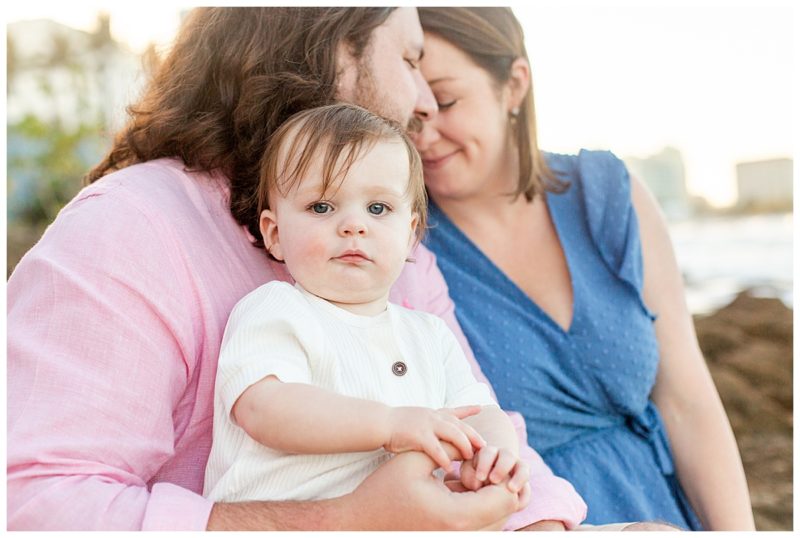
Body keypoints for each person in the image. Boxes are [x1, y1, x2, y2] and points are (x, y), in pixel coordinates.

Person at [6, 7, 586, 531]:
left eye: (380, 209)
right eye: (410, 60)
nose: (425, 101)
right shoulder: (126, 227)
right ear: (333, 46)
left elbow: (476, 416)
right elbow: (33, 504)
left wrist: (539, 522)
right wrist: (345, 520)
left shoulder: (395, 255)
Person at [413, 6, 755, 531]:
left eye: (447, 100)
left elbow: (687, 401)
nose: (425, 131)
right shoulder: (405, 249)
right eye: (410, 113)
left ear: (514, 85)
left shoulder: (611, 198)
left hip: (668, 511)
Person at [203, 103, 529, 510]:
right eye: (322, 207)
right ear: (275, 234)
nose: (354, 225)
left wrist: (496, 455)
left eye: (378, 209)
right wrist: (389, 424)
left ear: (410, 234)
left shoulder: (428, 335)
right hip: (287, 518)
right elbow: (264, 408)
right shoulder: (275, 309)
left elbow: (477, 411)